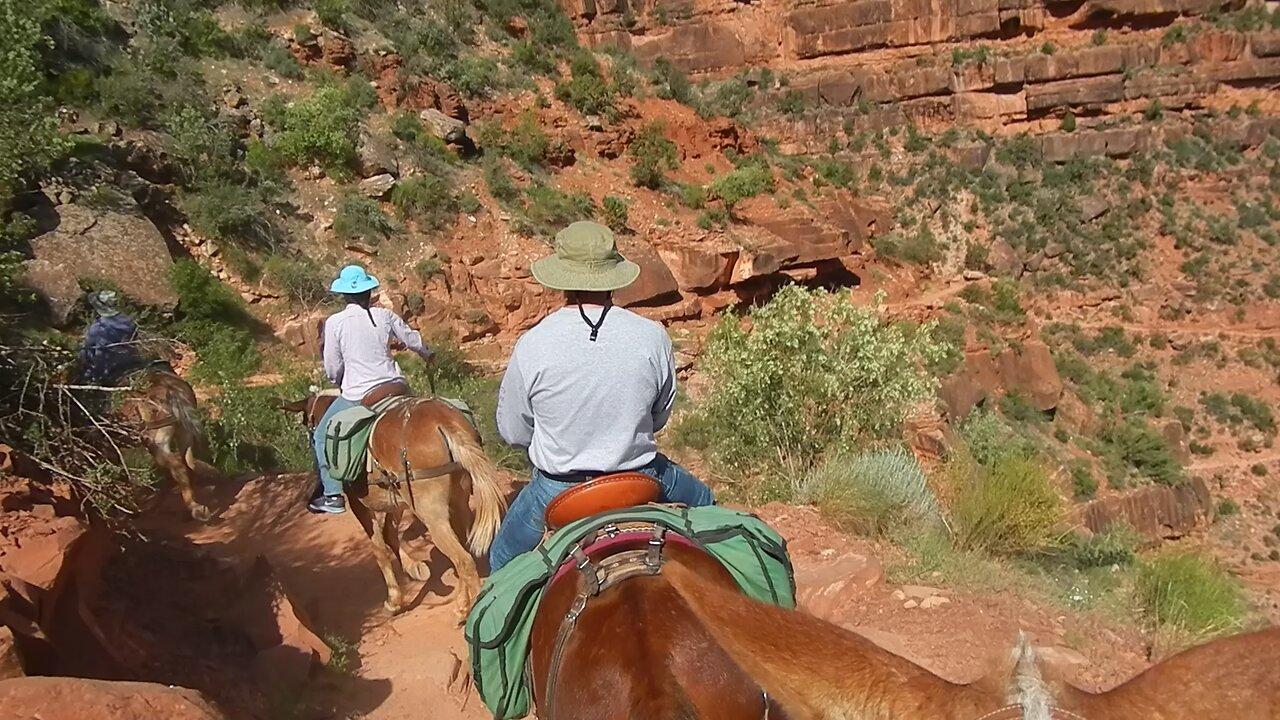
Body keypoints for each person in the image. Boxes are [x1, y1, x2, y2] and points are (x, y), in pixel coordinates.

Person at [488, 221, 714, 571]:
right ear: (613, 277)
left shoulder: (532, 343)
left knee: (501, 559)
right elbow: (659, 416)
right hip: (641, 477)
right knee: (708, 505)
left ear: (561, 279)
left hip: (558, 490)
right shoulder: (652, 336)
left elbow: (513, 431)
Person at [311, 264, 434, 515]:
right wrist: (428, 354)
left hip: (359, 394)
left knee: (321, 435)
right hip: (397, 387)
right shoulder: (385, 316)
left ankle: (333, 495)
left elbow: (333, 366)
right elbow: (412, 339)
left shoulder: (335, 322)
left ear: (344, 295)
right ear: (369, 292)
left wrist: (338, 380)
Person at [79, 290, 143, 384]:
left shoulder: (97, 329)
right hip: (127, 359)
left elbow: (91, 353)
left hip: (107, 368)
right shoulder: (129, 320)